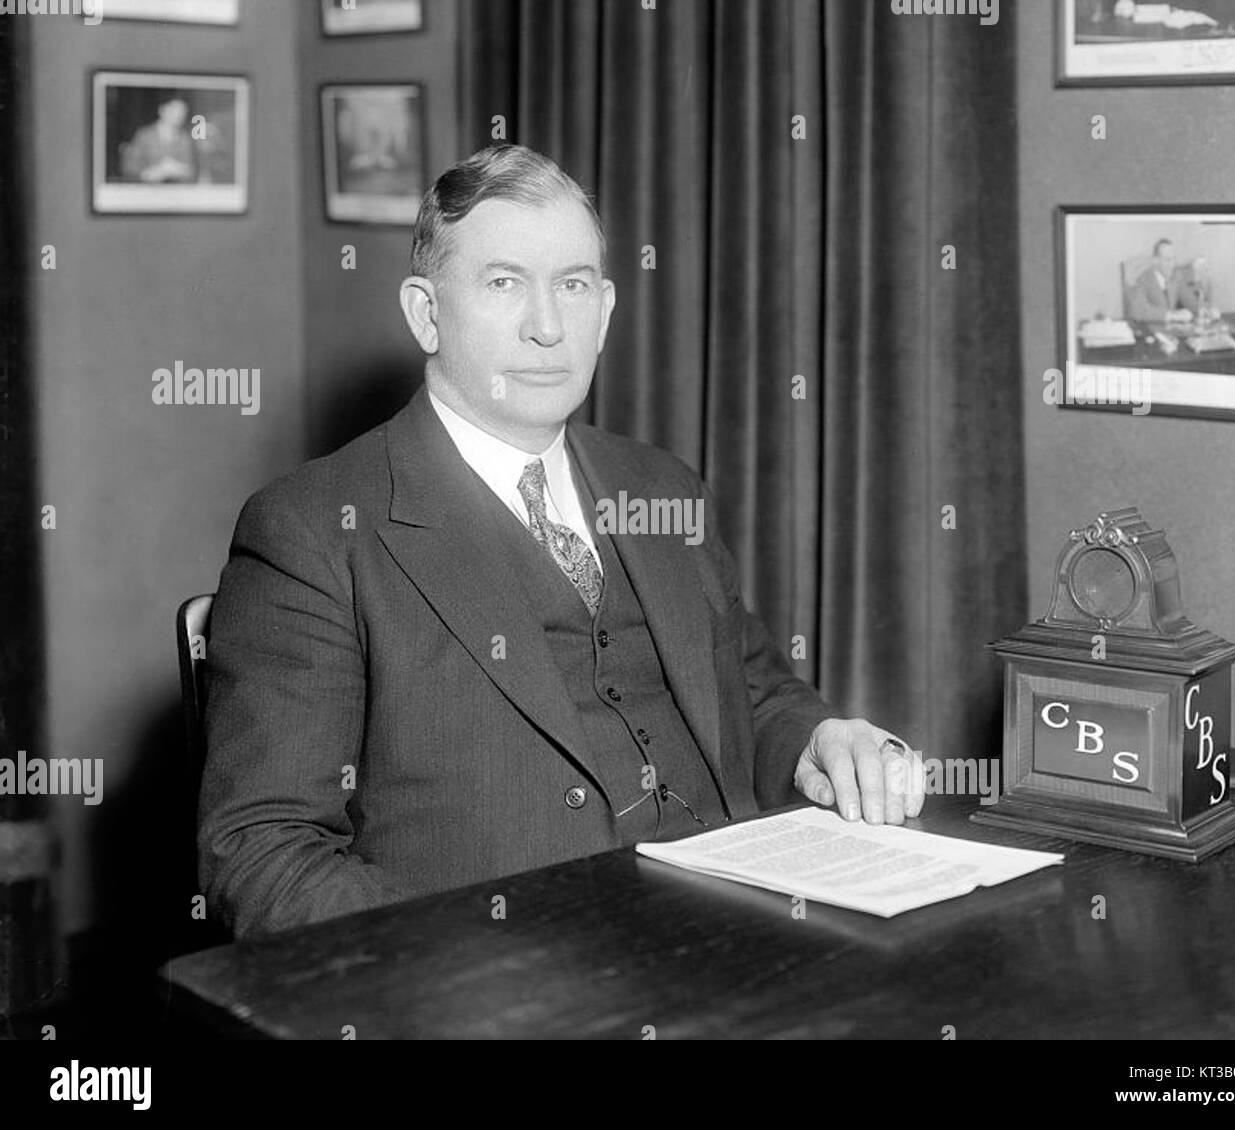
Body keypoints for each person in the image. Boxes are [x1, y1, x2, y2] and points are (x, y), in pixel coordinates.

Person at [197, 144, 924, 939]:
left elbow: (747, 689)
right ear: (425, 313)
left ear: (606, 311)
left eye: (572, 286)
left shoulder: (661, 489)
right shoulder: (312, 530)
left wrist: (820, 739)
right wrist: (474, 970)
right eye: (504, 283)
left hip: (747, 935)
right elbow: (262, 852)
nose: (548, 328)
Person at [119, 97, 196, 184]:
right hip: (145, 191)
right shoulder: (144, 135)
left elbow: (191, 170)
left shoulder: (185, 138)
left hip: (175, 192)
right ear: (162, 110)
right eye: (174, 111)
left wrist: (175, 169)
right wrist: (151, 172)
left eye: (182, 112)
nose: (178, 116)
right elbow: (129, 167)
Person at [1128, 239, 1193, 324]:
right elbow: (1138, 310)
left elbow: (1191, 302)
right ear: (1155, 260)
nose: (1172, 265)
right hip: (1150, 331)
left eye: (1173, 259)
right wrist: (1172, 315)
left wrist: (1207, 311)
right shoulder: (1143, 279)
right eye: (1167, 260)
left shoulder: (1177, 277)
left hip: (1171, 331)